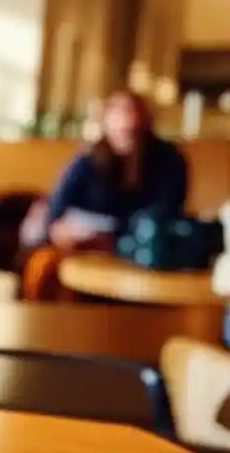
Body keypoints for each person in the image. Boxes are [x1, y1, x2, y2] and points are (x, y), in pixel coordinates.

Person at [22, 90, 189, 300]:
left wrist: (113, 239)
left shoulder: (168, 161)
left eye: (131, 112)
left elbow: (164, 215)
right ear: (105, 120)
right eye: (117, 113)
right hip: (79, 245)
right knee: (42, 264)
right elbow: (57, 206)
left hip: (137, 248)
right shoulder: (88, 159)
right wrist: (60, 231)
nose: (125, 121)